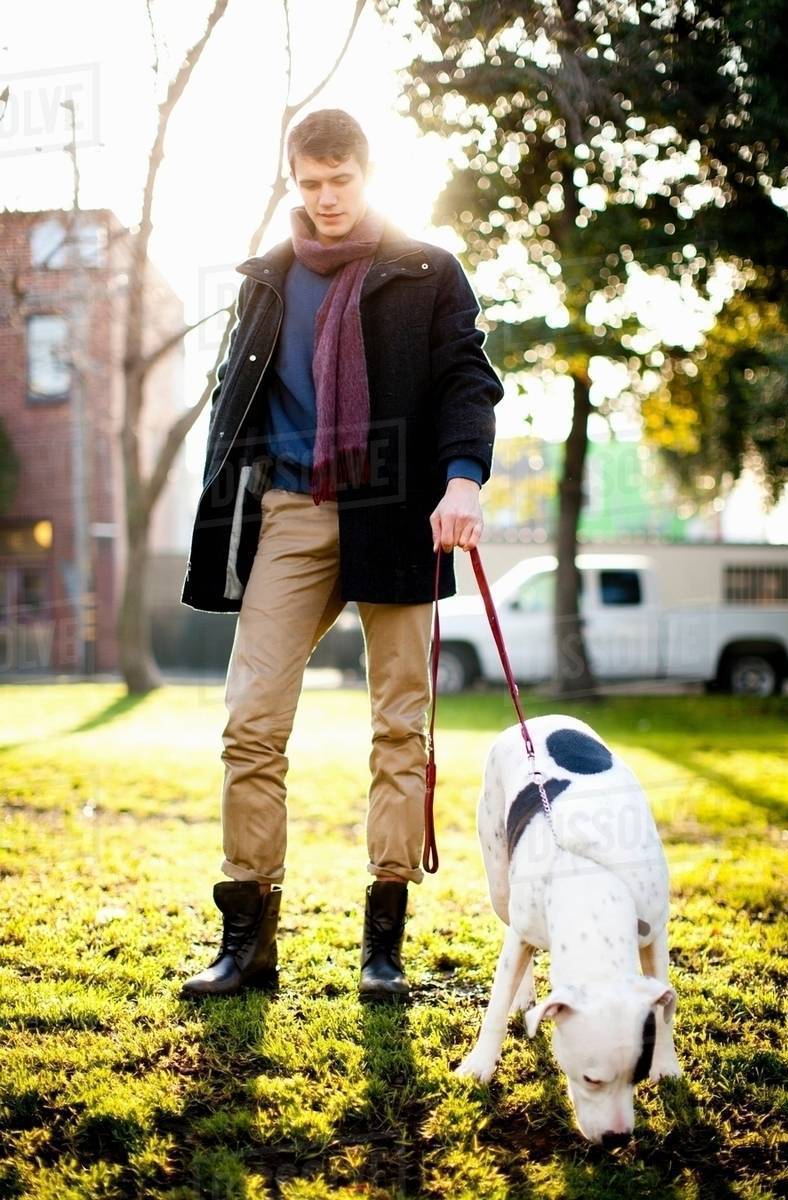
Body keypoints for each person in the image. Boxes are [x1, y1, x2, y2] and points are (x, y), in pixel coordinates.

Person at [179, 109, 503, 1002]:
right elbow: (231, 390)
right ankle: (248, 939)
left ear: (368, 173)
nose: (325, 199)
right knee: (251, 721)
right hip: (290, 512)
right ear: (294, 181)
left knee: (401, 724)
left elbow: (466, 377)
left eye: (341, 180)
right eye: (310, 183)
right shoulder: (268, 281)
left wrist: (464, 480)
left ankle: (384, 945)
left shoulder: (425, 270)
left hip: (396, 512)